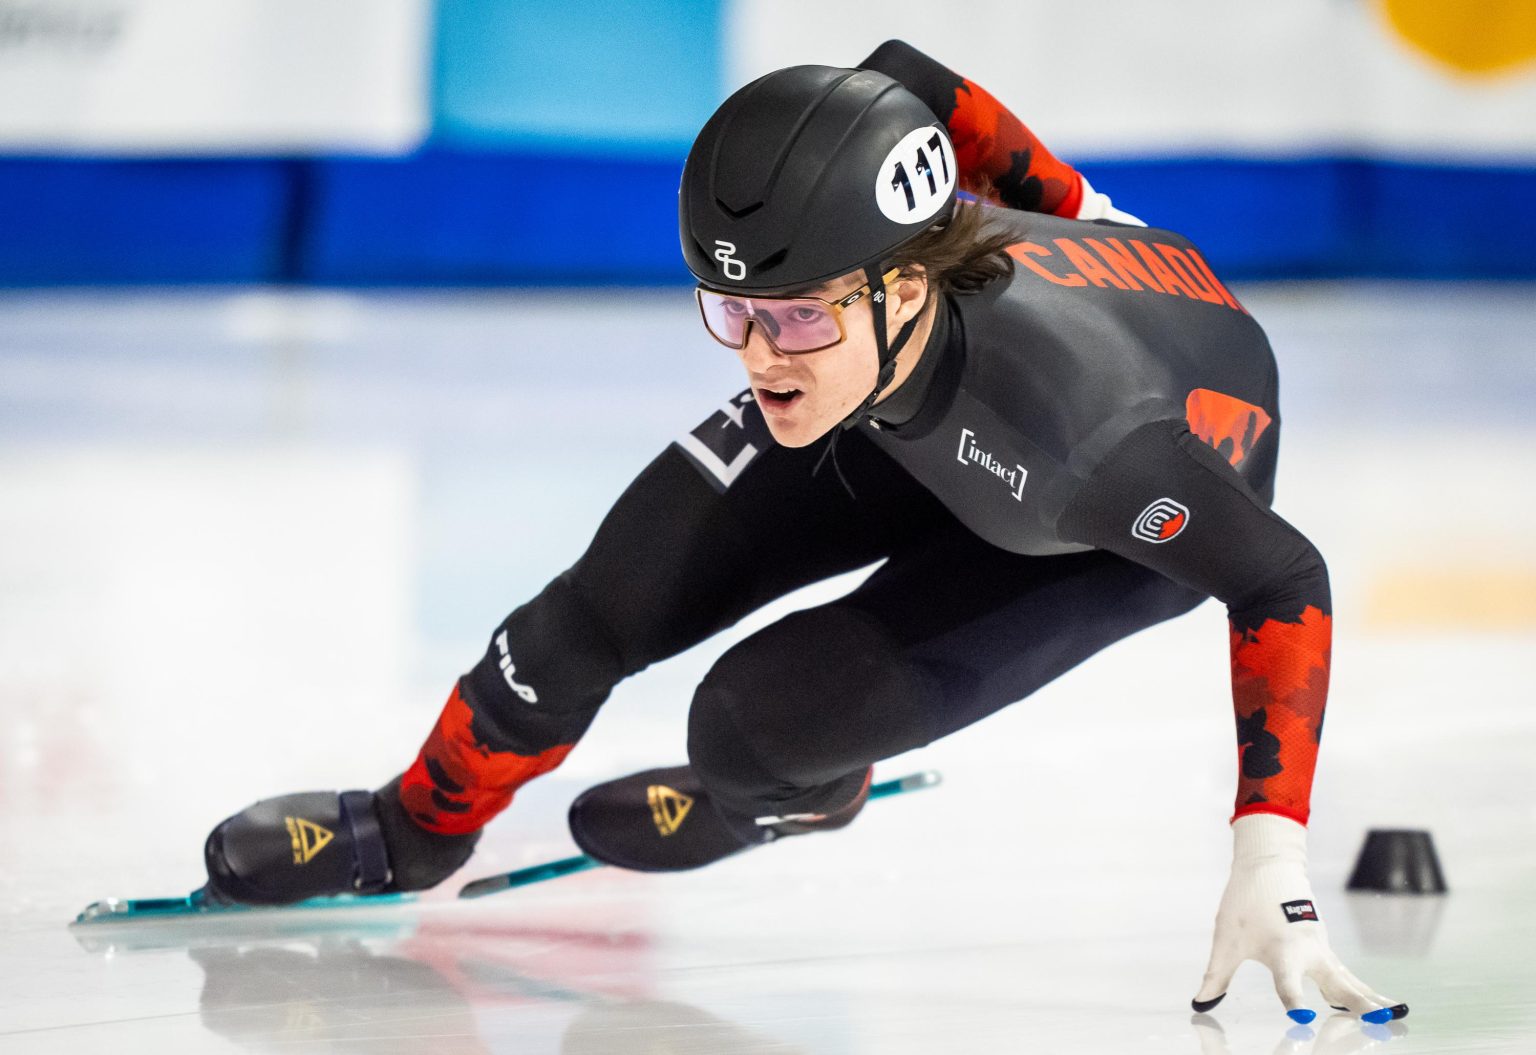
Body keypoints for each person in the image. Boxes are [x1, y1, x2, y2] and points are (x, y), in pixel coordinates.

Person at [202, 40, 1408, 1026]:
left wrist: (1270, 855)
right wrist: (1084, 207)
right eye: (731, 310)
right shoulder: (847, 319)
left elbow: (1282, 574)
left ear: (905, 281)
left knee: (748, 728)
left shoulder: (1100, 438)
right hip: (907, 401)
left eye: (793, 317)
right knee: (589, 611)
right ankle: (415, 826)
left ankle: (783, 793)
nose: (760, 357)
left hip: (1091, 520)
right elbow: (915, 85)